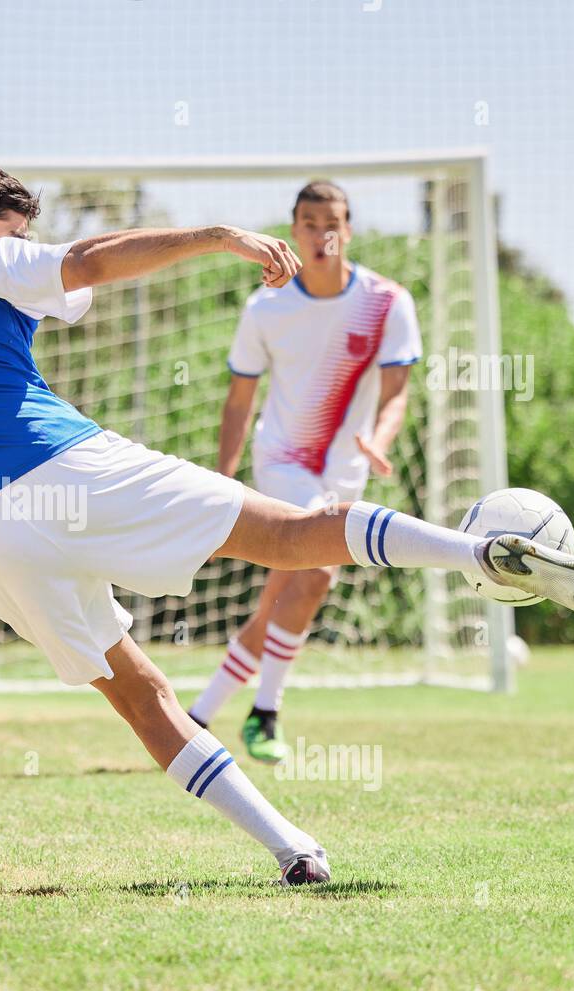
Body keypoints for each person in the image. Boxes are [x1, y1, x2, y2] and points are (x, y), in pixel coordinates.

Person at [0, 159, 574, 885]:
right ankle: (480, 553)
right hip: (60, 466)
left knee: (142, 695)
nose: (26, 245)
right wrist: (217, 237)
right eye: (15, 230)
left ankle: (294, 849)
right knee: (291, 534)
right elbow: (89, 264)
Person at [189, 180, 421, 763]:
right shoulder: (266, 307)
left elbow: (397, 392)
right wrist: (223, 481)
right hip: (282, 462)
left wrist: (378, 438)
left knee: (283, 594)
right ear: (293, 230)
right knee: (316, 573)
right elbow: (239, 400)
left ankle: (197, 717)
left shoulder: (388, 301)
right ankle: (266, 711)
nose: (322, 233)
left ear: (348, 230)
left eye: (333, 222)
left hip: (346, 472)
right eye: (310, 221)